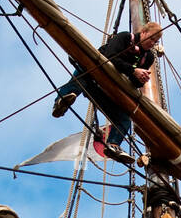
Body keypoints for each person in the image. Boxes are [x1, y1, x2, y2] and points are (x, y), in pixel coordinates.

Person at [52, 22, 164, 155]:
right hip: (94, 72)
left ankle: (112, 145)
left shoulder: (148, 57)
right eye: (151, 38)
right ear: (144, 32)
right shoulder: (125, 38)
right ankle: (62, 101)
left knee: (124, 119)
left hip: (107, 89)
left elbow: (134, 83)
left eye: (155, 41)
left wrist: (141, 79)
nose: (152, 43)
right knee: (82, 73)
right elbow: (110, 57)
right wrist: (134, 70)